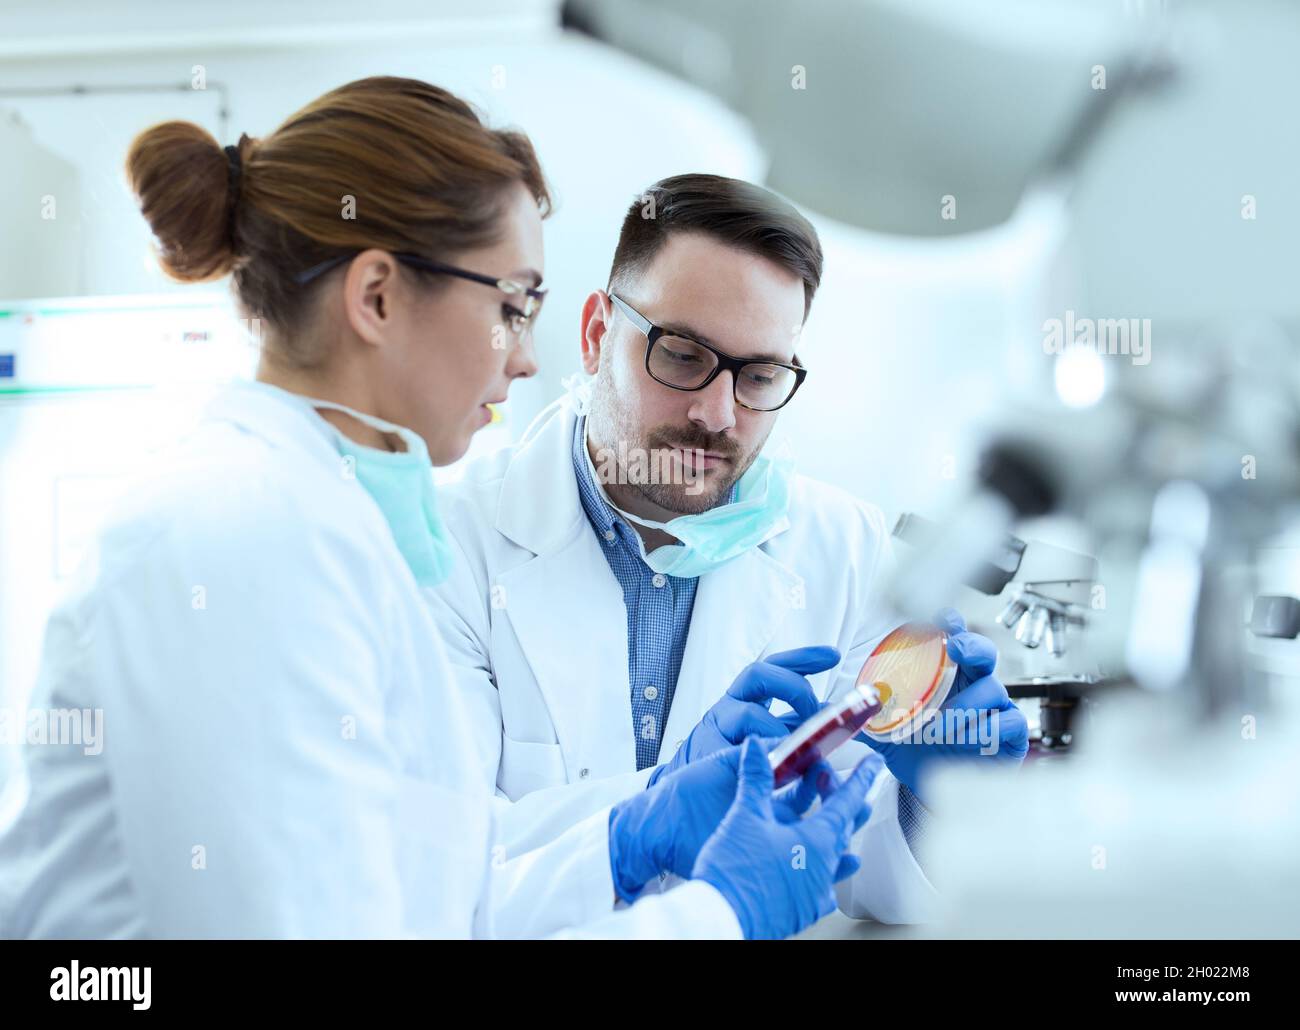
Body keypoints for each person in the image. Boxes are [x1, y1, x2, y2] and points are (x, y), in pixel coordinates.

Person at [0, 79, 880, 940]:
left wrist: (626, 832)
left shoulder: (332, 529)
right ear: (377, 297)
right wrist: (720, 914)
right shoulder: (240, 536)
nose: (527, 360)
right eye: (511, 304)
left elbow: (430, 897)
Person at [427, 174, 1030, 924]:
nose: (717, 414)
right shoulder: (446, 547)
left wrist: (931, 799)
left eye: (760, 375)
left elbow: (860, 873)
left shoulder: (847, 549)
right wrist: (645, 816)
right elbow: (432, 876)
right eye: (681, 355)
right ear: (594, 336)